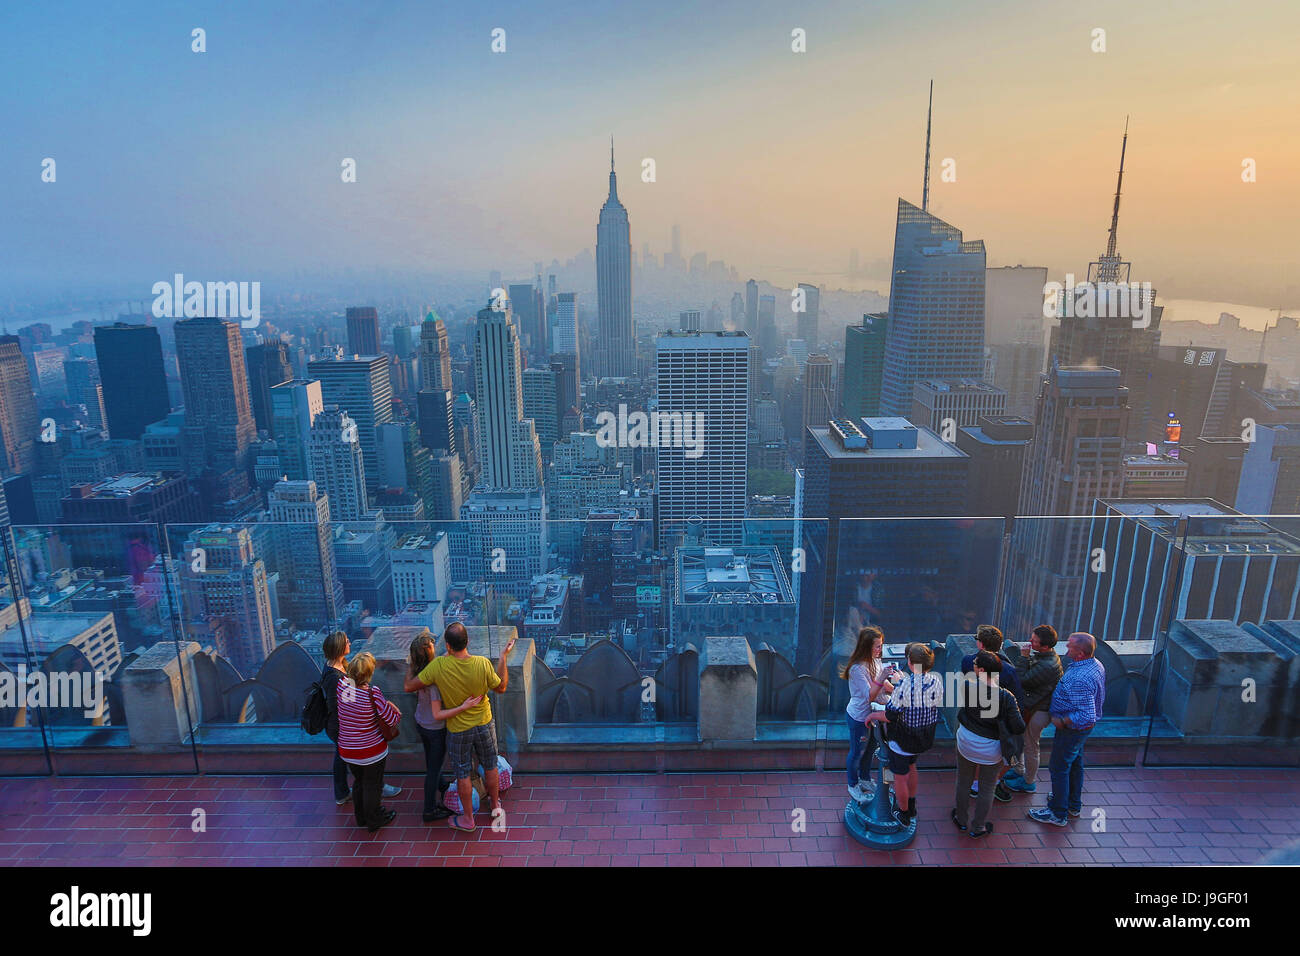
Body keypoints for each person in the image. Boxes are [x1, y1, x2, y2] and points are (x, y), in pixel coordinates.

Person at [404, 622, 515, 833]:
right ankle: (494, 805)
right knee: (490, 764)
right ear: (467, 641)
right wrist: (503, 658)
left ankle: (468, 819)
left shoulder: (438, 666)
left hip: (458, 728)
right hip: (483, 722)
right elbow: (501, 687)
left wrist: (412, 662)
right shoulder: (482, 663)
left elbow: (409, 686)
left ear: (447, 646)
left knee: (462, 773)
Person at [407, 630, 487, 823]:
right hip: (435, 727)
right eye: (432, 646)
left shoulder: (418, 671)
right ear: (429, 653)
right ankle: (429, 809)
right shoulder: (434, 680)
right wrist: (463, 707)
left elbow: (408, 684)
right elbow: (437, 713)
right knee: (434, 768)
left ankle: (442, 785)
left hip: (421, 722)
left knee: (431, 762)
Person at [1028, 632, 1106, 827]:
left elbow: (1087, 715)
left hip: (1072, 730)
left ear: (1080, 653)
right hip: (1080, 731)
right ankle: (1072, 803)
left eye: (1070, 646)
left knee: (1059, 767)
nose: (1066, 648)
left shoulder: (1080, 678)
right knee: (1075, 763)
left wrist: (1063, 721)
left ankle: (1057, 812)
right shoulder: (1095, 665)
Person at [322, 631, 400, 806]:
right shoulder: (336, 677)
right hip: (342, 726)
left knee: (343, 757)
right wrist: (373, 703)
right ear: (339, 647)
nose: (349, 643)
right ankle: (369, 789)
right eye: (346, 641)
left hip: (341, 725)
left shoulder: (335, 668)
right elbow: (347, 704)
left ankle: (345, 792)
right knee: (350, 759)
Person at [952, 651, 1025, 838]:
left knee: (964, 781)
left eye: (975, 663)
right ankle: (978, 827)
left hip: (967, 740)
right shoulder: (1006, 697)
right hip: (991, 747)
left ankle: (961, 819)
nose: (973, 665)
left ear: (982, 670)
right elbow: (1019, 726)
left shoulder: (966, 685)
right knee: (987, 787)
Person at [336, 652, 401, 833]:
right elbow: (391, 719)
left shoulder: (343, 686)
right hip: (370, 750)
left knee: (358, 782)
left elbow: (351, 705)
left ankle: (361, 817)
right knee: (373, 784)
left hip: (347, 749)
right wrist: (393, 708)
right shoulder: (373, 694)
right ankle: (374, 819)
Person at [880, 642, 943, 826]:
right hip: (923, 737)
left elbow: (891, 713)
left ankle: (904, 814)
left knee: (900, 777)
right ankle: (912, 805)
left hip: (903, 739)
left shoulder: (905, 685)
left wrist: (872, 715)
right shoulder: (936, 681)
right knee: (912, 766)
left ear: (910, 663)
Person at [959, 625, 1024, 802]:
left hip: (972, 718)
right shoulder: (1008, 670)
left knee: (974, 755)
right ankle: (991, 783)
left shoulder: (967, 661)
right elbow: (1017, 700)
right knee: (1007, 755)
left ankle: (975, 785)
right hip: (997, 722)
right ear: (1000, 644)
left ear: (980, 644)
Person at [1004, 624, 1064, 794]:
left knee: (1031, 745)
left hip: (1039, 710)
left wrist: (1023, 657)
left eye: (1034, 640)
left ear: (1045, 646)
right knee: (1023, 741)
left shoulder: (1047, 665)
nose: (1030, 641)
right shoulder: (1047, 656)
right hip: (1036, 706)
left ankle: (1029, 782)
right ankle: (1019, 770)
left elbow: (1021, 679)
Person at [842, 626, 898, 801]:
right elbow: (869, 696)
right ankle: (853, 785)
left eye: (881, 645)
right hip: (859, 717)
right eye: (877, 646)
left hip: (874, 715)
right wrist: (882, 678)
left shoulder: (875, 660)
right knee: (856, 752)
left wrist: (897, 690)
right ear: (867, 647)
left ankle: (865, 779)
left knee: (871, 748)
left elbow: (883, 684)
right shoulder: (857, 669)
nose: (880, 649)